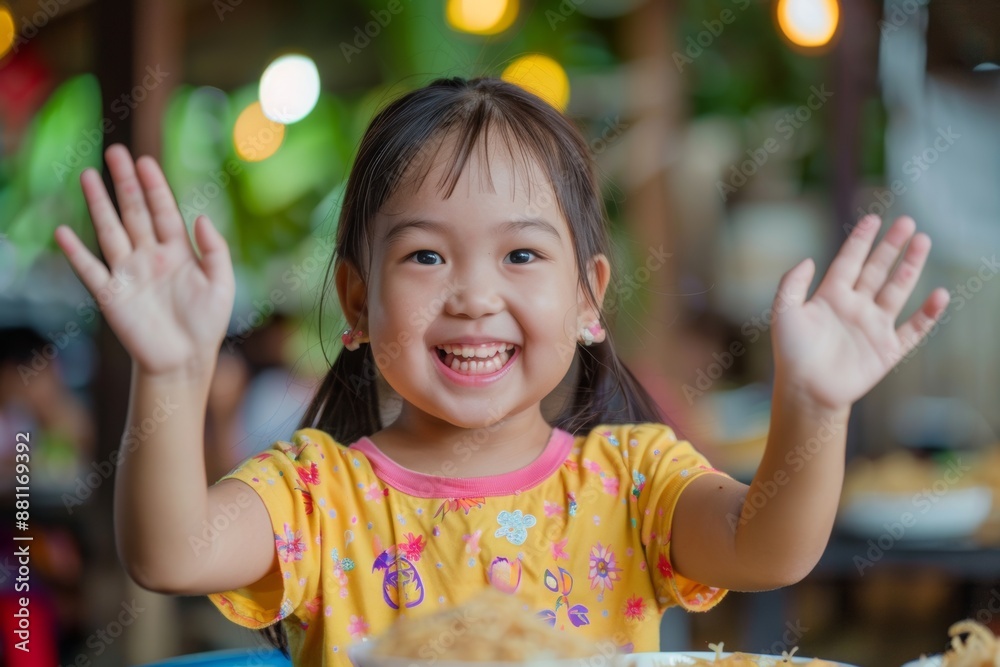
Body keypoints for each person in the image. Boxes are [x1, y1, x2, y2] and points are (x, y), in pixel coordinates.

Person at [53, 77, 950, 665]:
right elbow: (170, 553)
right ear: (358, 304)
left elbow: (770, 547)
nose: (475, 297)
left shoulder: (634, 477)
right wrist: (170, 373)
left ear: (590, 296)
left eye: (521, 256)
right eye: (426, 258)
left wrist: (816, 403)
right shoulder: (318, 493)